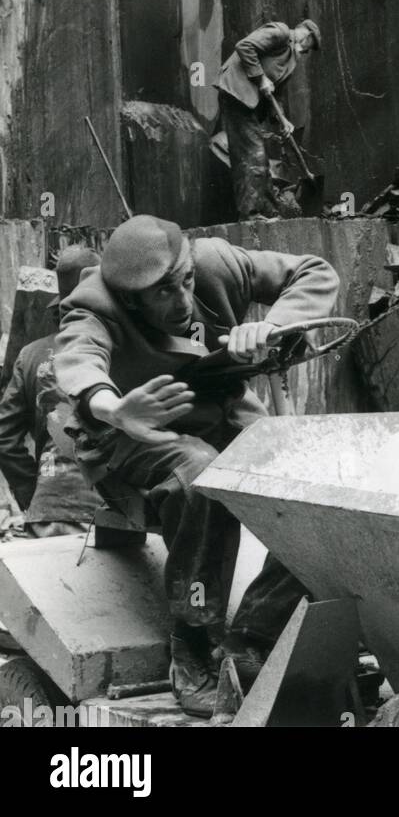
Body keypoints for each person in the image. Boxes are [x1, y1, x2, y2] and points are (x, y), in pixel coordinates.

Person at [53, 214, 340, 717]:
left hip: (220, 414)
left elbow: (315, 272)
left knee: (310, 478)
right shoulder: (93, 304)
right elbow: (79, 359)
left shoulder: (213, 260)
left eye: (184, 280)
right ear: (130, 298)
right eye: (163, 293)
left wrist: (272, 326)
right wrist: (113, 407)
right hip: (136, 433)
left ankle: (252, 637)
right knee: (199, 473)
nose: (183, 300)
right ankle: (192, 642)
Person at [0, 246, 102, 536]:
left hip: (46, 509)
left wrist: (33, 494)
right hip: (106, 512)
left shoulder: (31, 354)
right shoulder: (119, 350)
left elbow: (4, 438)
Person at [214, 19, 321, 220]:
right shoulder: (280, 32)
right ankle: (250, 215)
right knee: (253, 154)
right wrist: (260, 77)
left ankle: (269, 211)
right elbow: (244, 46)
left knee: (260, 158)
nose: (306, 51)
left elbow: (276, 94)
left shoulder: (291, 61)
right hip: (236, 92)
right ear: (305, 34)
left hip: (250, 102)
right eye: (309, 46)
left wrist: (283, 121)